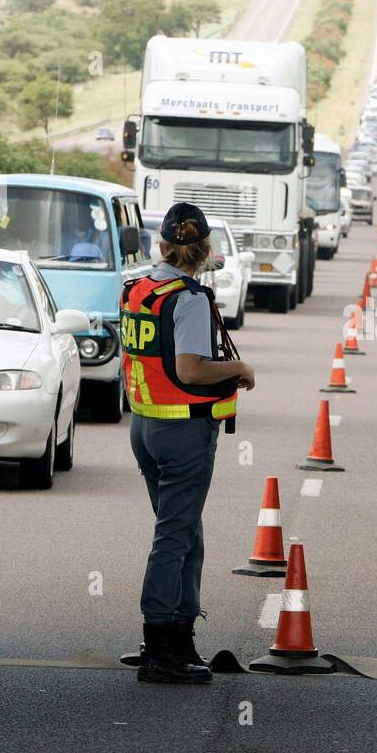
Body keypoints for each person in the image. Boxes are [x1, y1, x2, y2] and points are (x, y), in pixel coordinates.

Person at [122, 201, 256, 685]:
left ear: (162, 246)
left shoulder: (138, 289)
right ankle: (160, 645)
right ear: (204, 251)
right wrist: (239, 369)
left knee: (183, 533)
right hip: (182, 429)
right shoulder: (190, 299)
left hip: (145, 426)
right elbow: (191, 369)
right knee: (175, 538)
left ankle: (178, 638)